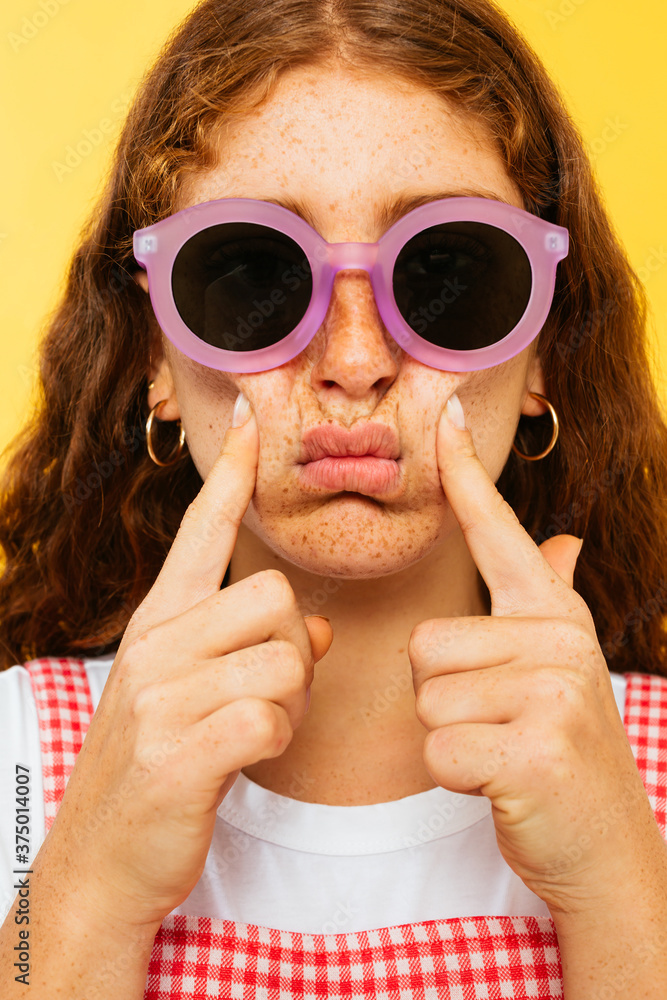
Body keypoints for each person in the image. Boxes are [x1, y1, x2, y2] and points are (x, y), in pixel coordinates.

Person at [1, 0, 667, 996]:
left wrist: (620, 889)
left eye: (447, 270)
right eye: (252, 275)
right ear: (153, 355)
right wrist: (86, 891)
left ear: (542, 352)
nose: (354, 362)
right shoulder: (14, 757)